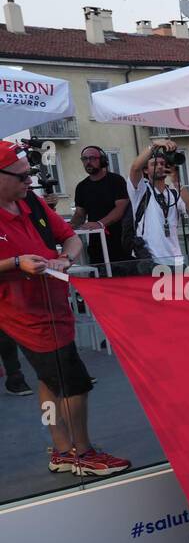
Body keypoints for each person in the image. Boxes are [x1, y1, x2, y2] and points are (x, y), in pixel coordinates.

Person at [0, 141, 129, 477]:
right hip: (24, 315)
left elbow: (69, 237)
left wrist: (65, 258)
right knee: (74, 383)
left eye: (30, 174)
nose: (30, 181)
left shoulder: (32, 202)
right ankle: (81, 452)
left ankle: (61, 449)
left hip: (55, 306)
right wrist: (16, 262)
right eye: (22, 176)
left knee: (50, 379)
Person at [127, 138, 189, 267]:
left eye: (163, 163)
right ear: (146, 171)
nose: (160, 166)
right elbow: (135, 168)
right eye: (154, 164)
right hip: (149, 260)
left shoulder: (174, 193)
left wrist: (177, 182)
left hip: (175, 260)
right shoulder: (142, 190)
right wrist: (153, 146)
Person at [70, 145, 128, 269]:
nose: (88, 162)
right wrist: (68, 228)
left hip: (120, 243)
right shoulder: (82, 187)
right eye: (84, 159)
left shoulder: (116, 181)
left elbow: (121, 208)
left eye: (92, 158)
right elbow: (80, 214)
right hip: (96, 245)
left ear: (102, 160)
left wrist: (100, 224)